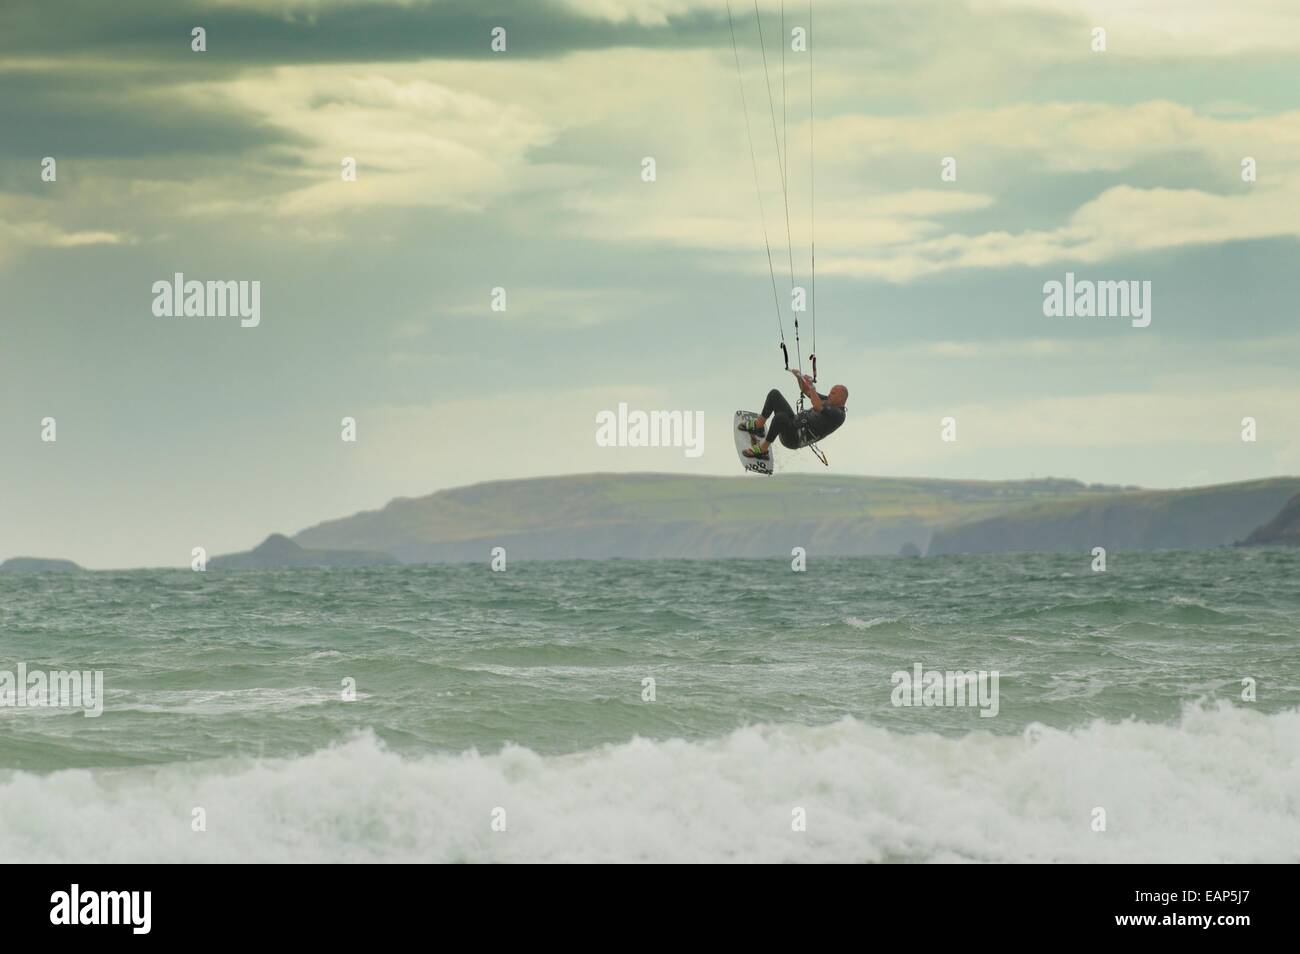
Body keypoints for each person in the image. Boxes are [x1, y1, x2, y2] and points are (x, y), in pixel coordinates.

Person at [741, 369, 847, 461]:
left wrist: (812, 387)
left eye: (833, 393)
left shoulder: (839, 415)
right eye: (830, 392)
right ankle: (759, 426)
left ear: (841, 398)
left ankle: (763, 450)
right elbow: (806, 391)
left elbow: (817, 406)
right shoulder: (828, 400)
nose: (829, 395)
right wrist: (798, 377)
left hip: (794, 439)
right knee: (774, 394)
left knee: (780, 418)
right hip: (793, 423)